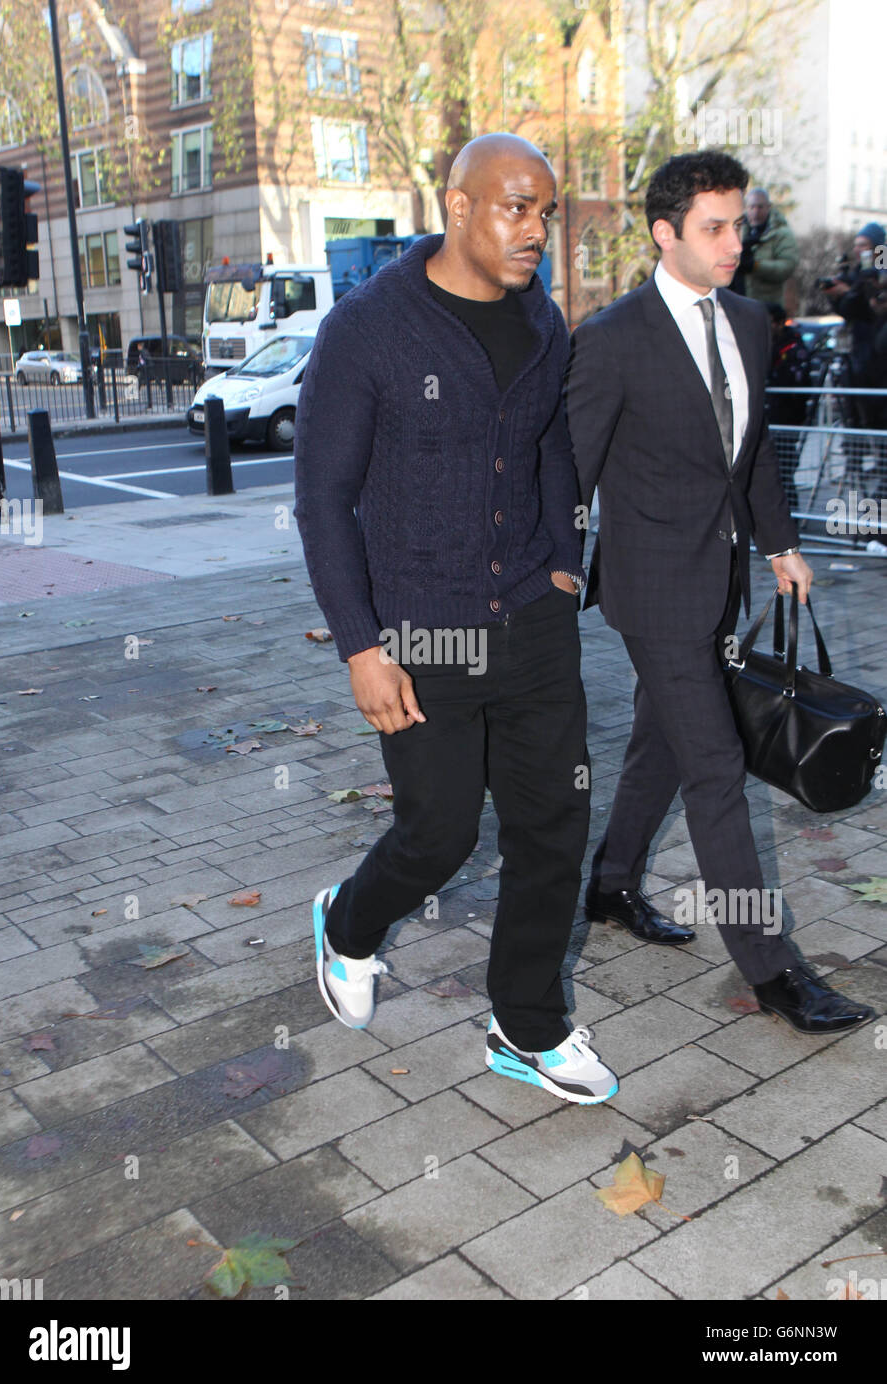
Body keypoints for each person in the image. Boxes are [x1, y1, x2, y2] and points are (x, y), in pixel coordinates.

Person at [294, 133, 618, 1104]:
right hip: (420, 631)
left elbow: (548, 442)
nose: (534, 230)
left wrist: (567, 561)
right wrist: (360, 645)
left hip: (531, 615)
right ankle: (347, 925)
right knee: (438, 833)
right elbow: (322, 499)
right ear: (458, 206)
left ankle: (527, 1025)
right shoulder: (367, 329)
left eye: (545, 213)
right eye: (516, 207)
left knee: (552, 824)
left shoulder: (542, 321)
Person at [564, 150, 873, 1036]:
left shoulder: (745, 320)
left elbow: (753, 448)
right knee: (715, 767)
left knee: (664, 742)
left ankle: (613, 882)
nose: (735, 240)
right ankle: (776, 973)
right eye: (714, 227)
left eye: (740, 223)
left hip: (725, 576)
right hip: (650, 589)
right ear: (665, 234)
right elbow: (572, 471)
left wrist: (781, 544)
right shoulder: (613, 338)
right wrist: (546, 573)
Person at [822, 222, 887, 497]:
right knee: (859, 428)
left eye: (865, 245)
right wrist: (838, 296)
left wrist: (852, 294)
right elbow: (852, 311)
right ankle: (866, 497)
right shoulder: (858, 276)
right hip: (859, 360)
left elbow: (872, 309)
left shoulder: (879, 278)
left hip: (878, 363)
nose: (859, 250)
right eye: (857, 244)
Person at [765, 302, 813, 514]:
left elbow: (796, 386)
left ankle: (789, 518)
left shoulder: (793, 348)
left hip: (785, 421)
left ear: (776, 323)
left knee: (783, 471)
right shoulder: (765, 344)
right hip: (765, 418)